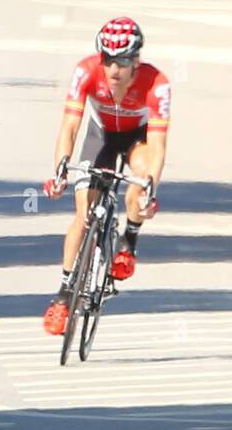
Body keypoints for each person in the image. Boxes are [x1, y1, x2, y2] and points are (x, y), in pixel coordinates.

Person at [42, 19, 169, 335]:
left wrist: (149, 188)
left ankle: (130, 239)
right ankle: (63, 295)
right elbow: (70, 126)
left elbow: (157, 147)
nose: (114, 69)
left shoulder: (157, 84)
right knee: (83, 216)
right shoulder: (86, 72)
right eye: (108, 60)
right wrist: (60, 169)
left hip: (136, 140)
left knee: (139, 181)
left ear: (136, 61)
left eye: (123, 61)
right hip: (100, 137)